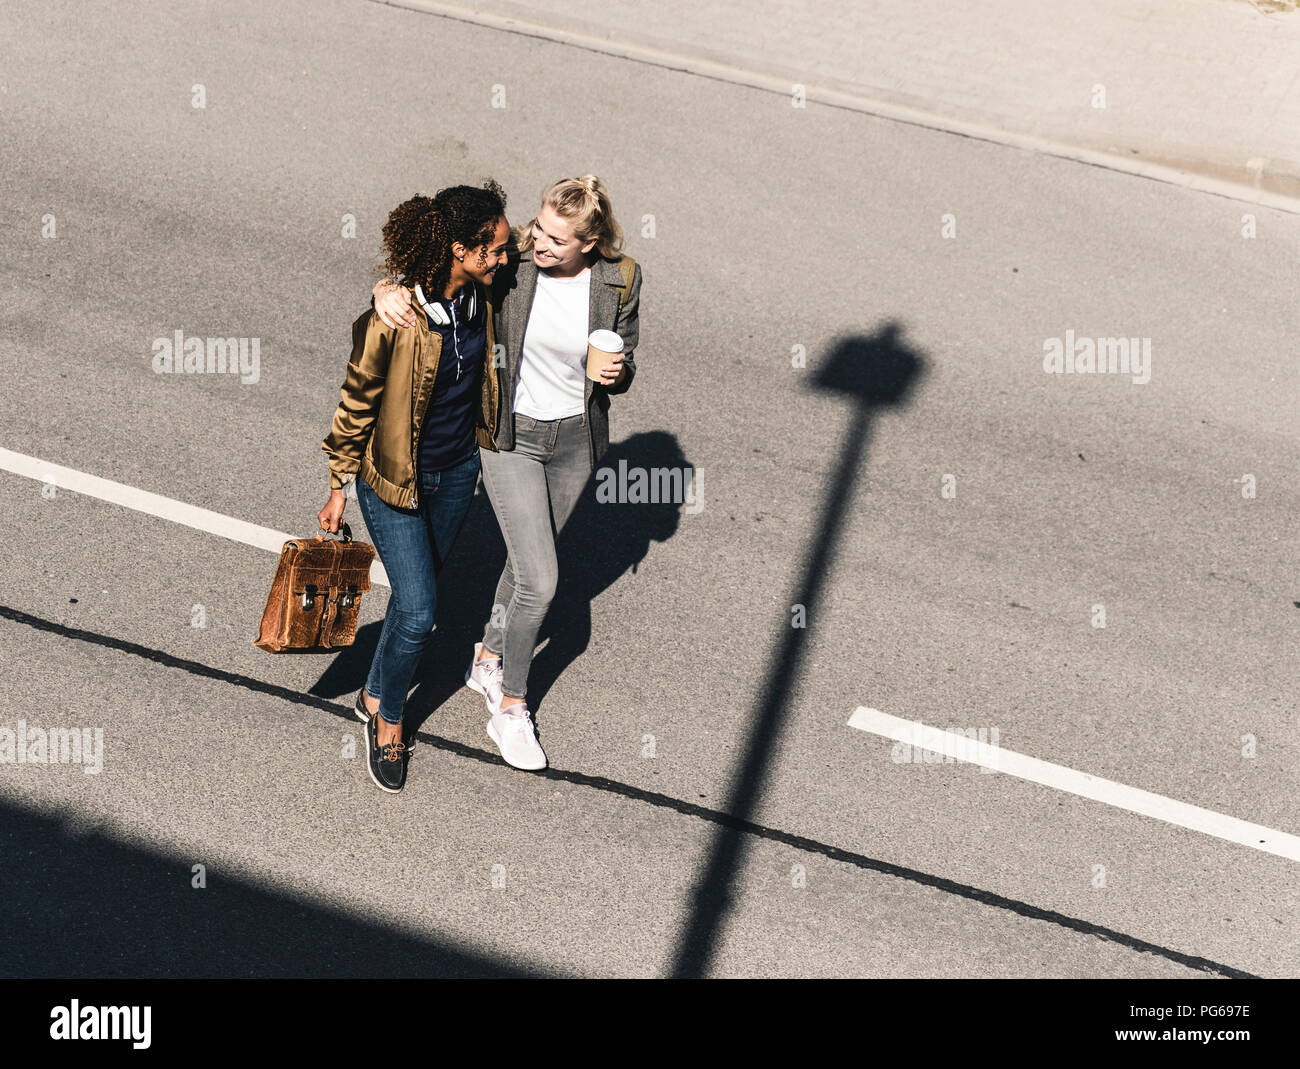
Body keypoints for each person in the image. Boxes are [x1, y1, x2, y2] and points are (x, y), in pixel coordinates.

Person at [373, 175, 642, 772]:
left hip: (576, 440)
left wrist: (618, 374)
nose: (539, 243)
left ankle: (487, 656)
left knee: (523, 566)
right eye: (539, 228)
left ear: (590, 242)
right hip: (509, 436)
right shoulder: (511, 264)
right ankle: (511, 707)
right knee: (542, 582)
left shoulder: (619, 279)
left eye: (557, 239)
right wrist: (386, 288)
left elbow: (626, 356)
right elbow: (439, 267)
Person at [319, 180, 511, 794]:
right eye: (496, 249)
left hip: (458, 474)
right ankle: (389, 719)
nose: (506, 257)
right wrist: (337, 485)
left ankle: (372, 691)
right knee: (423, 611)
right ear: (460, 250)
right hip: (393, 481)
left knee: (410, 600)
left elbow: (551, 246)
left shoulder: (483, 292)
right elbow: (355, 402)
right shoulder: (394, 318)